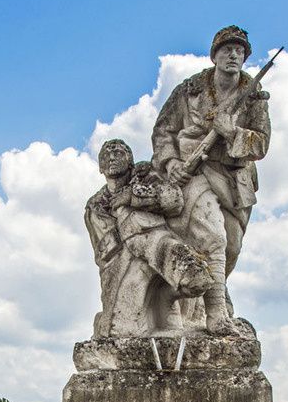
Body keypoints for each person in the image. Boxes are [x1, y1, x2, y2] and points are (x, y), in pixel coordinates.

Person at [152, 25, 271, 336]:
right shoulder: (189, 90)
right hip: (196, 173)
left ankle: (187, 299)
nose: (233, 54)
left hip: (234, 180)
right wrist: (171, 162)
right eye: (227, 49)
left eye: (239, 50)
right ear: (215, 55)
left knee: (230, 249)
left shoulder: (254, 97)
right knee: (213, 239)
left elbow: (261, 145)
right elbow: (163, 132)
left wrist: (232, 132)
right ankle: (217, 316)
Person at [84, 139, 210, 337]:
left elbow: (174, 200)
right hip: (123, 265)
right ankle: (152, 304)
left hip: (157, 241)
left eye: (118, 153)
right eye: (105, 156)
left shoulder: (146, 178)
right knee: (123, 331)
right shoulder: (95, 206)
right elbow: (104, 252)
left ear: (130, 160)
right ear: (100, 167)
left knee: (197, 278)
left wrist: (134, 197)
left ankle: (165, 297)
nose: (111, 158)